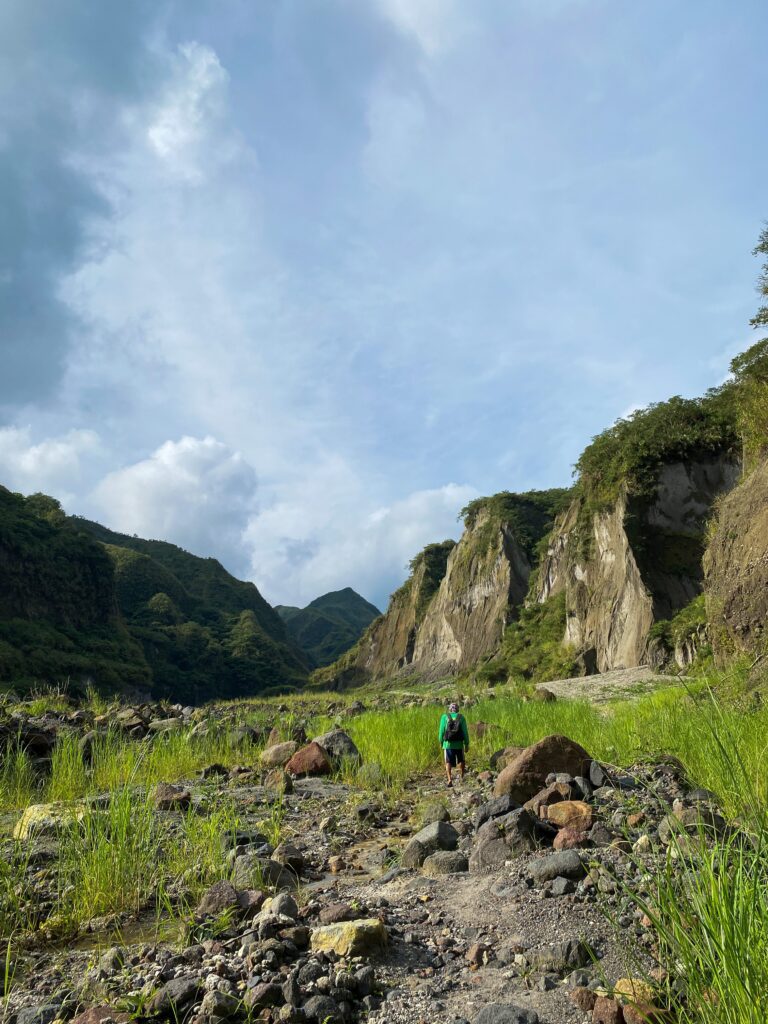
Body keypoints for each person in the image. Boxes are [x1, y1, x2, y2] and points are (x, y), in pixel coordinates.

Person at [438, 701, 469, 788]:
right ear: (457, 710)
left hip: (448, 744)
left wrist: (441, 742)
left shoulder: (445, 717)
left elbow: (441, 732)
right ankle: (462, 776)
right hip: (459, 744)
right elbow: (465, 732)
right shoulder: (461, 717)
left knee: (448, 762)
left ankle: (449, 779)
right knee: (461, 760)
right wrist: (466, 744)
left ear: (450, 709)